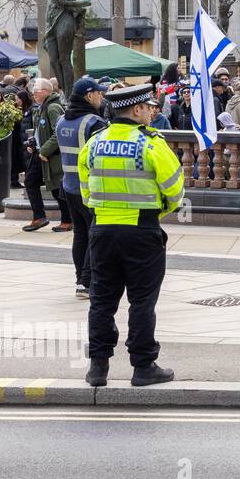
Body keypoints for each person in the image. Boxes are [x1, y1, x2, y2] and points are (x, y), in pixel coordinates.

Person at [79, 83, 185, 387]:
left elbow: (86, 189)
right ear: (137, 110)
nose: (152, 112)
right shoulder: (150, 144)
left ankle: (98, 367)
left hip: (101, 230)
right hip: (141, 231)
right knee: (141, 301)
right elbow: (175, 190)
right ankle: (143, 366)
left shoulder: (95, 143)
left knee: (101, 300)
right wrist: (157, 210)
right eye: (149, 108)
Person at [52, 77, 108, 299]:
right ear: (89, 96)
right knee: (94, 235)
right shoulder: (94, 122)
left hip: (69, 187)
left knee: (80, 235)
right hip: (89, 189)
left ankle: (79, 280)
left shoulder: (62, 121)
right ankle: (86, 283)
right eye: (99, 93)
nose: (101, 97)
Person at [24, 78, 72, 233]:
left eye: (36, 90)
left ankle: (67, 220)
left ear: (45, 91)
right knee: (31, 182)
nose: (33, 93)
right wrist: (34, 144)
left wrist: (44, 150)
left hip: (51, 156)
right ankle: (39, 217)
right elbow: (41, 132)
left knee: (57, 188)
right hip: (41, 154)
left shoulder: (53, 108)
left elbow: (59, 133)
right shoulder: (41, 108)